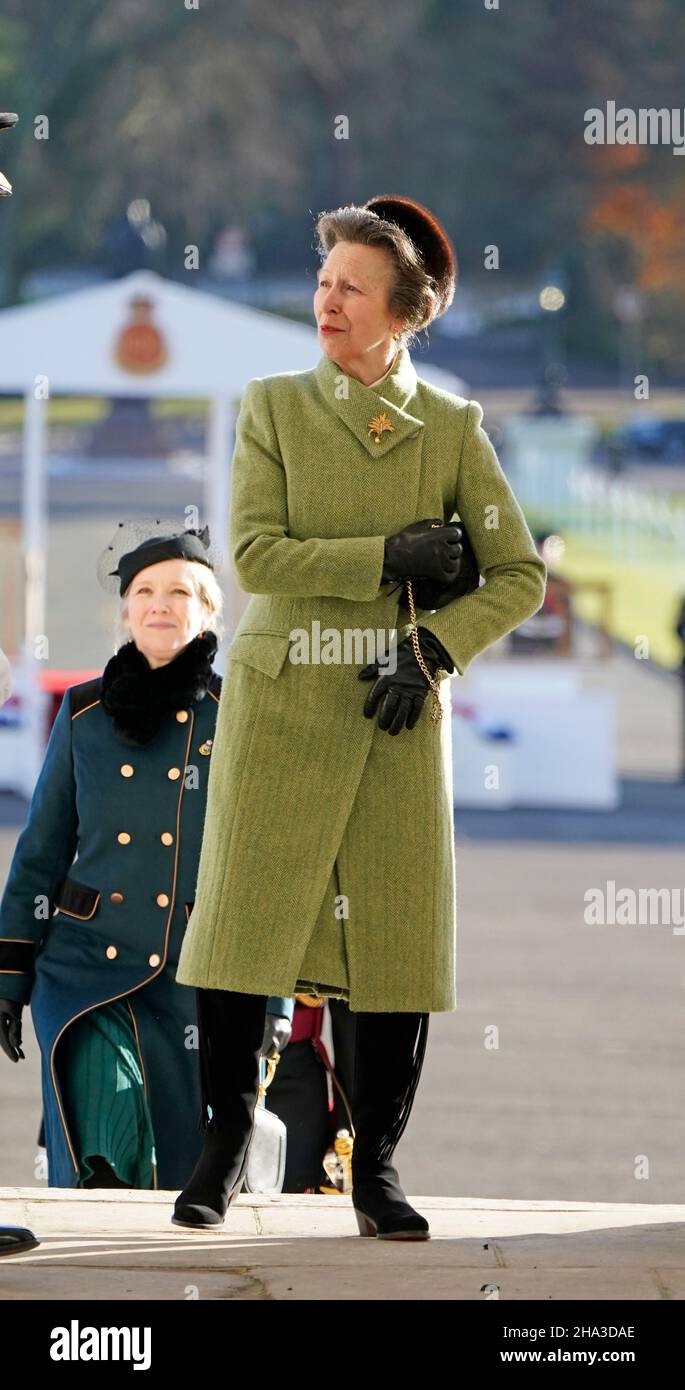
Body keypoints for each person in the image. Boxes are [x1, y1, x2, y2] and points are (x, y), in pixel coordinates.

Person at [173, 196, 547, 1239]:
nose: (325, 301)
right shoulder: (275, 406)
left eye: (349, 287)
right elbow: (253, 556)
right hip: (283, 701)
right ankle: (219, 1153)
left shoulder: (456, 430)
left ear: (403, 313)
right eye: (323, 279)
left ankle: (373, 1168)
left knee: (391, 945)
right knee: (241, 936)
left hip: (394, 714)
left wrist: (433, 644)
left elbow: (517, 575)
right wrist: (388, 557)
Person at [0, 521, 293, 1190]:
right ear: (126, 608)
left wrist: (275, 1005)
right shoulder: (82, 713)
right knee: (105, 1121)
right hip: (82, 966)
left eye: (181, 592)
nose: (161, 604)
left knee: (177, 1164)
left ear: (209, 611)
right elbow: (41, 851)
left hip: (196, 978)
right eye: (145, 591)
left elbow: (266, 869)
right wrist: (9, 971)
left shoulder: (240, 713)